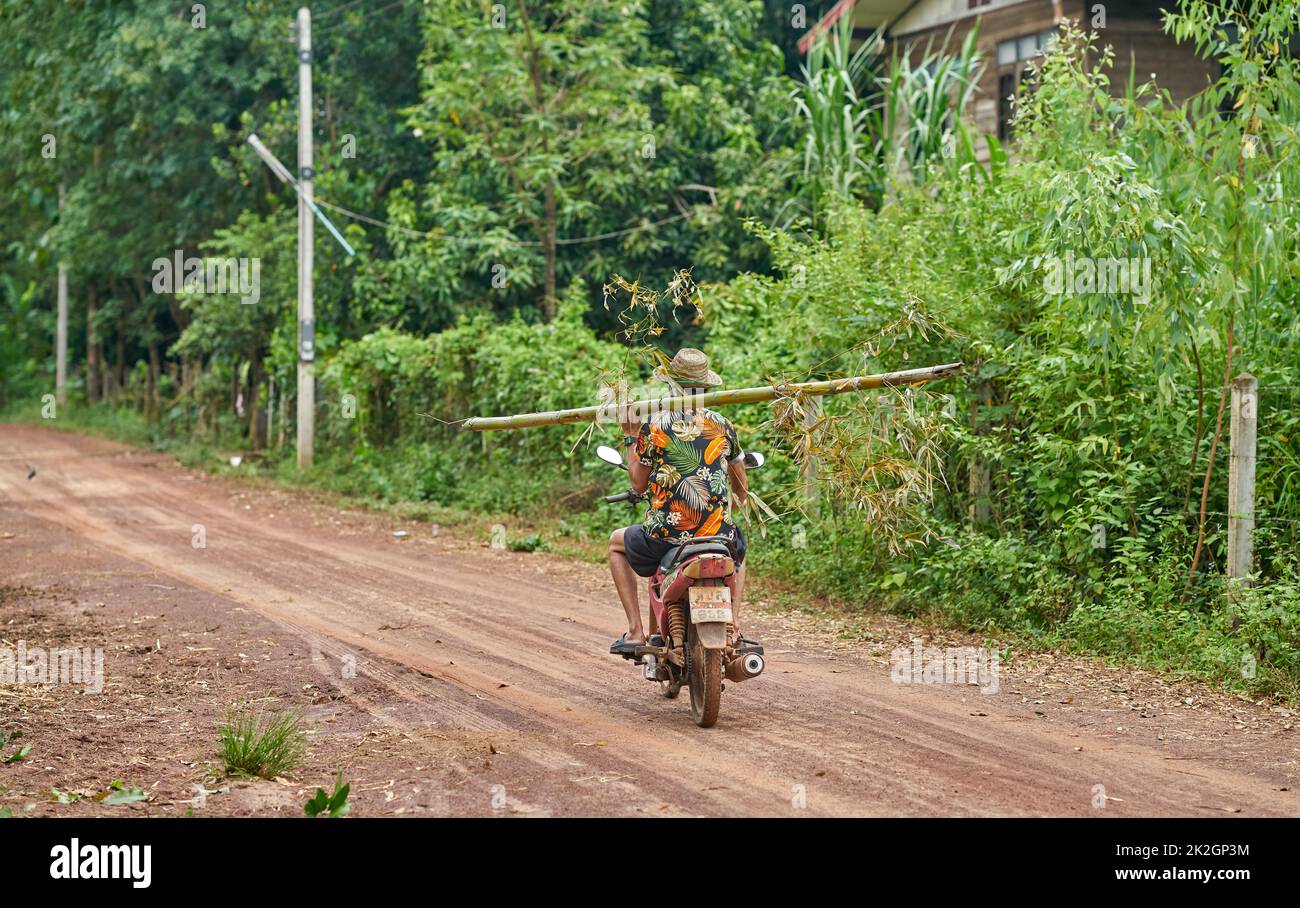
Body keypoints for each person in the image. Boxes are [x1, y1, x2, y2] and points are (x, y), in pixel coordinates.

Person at [608, 348, 749, 655]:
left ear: (671, 385)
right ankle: (734, 627)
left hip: (667, 537)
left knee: (616, 543)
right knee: (739, 544)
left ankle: (635, 631)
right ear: (706, 388)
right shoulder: (723, 425)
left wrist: (631, 436)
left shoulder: (654, 426)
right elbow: (741, 488)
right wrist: (724, 511)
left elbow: (638, 482)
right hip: (718, 537)